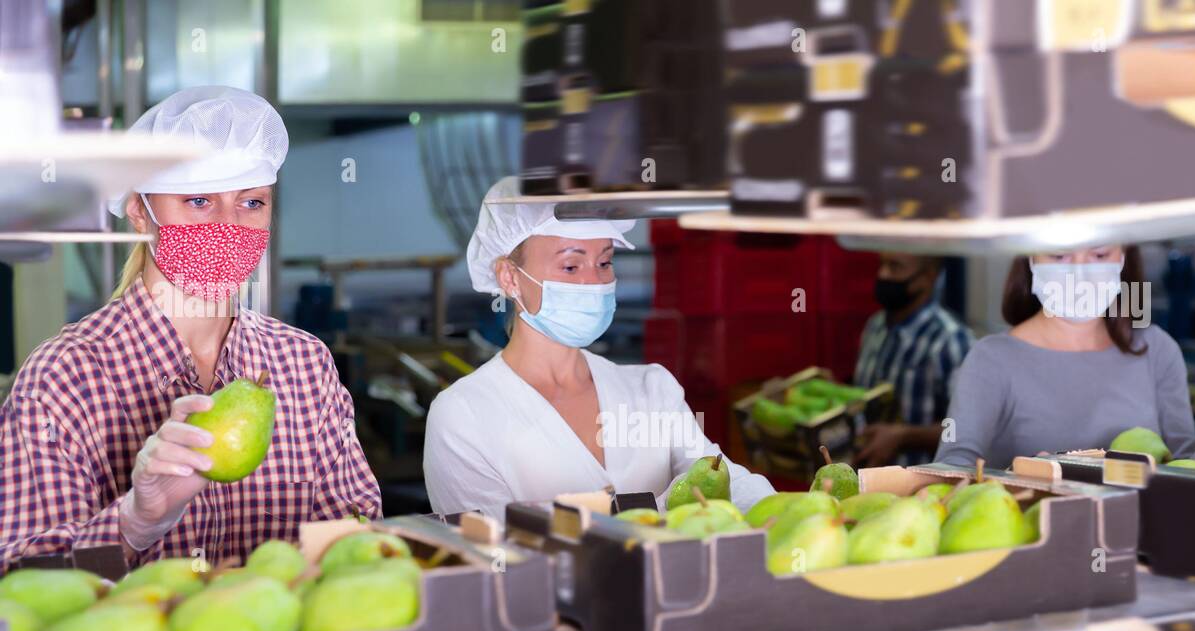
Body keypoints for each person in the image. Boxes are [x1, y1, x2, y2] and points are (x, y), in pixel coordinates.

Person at [0, 86, 381, 574]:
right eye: (199, 201)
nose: (228, 227)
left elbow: (355, 534)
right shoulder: (65, 376)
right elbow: (25, 578)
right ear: (141, 210)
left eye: (251, 203)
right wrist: (137, 521)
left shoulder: (303, 364)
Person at [423, 177, 775, 521]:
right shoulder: (462, 415)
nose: (594, 282)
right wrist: (662, 511)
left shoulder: (651, 389)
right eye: (571, 265)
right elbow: (498, 547)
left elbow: (725, 480)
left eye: (604, 262)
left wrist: (789, 510)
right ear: (509, 277)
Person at [936, 245, 1195, 469]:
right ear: (1031, 257)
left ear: (1123, 256)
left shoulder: (1158, 349)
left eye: (1099, 254)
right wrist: (1019, 478)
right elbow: (953, 462)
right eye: (1059, 256)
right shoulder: (990, 359)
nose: (1079, 271)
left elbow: (1189, 460)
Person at [852, 253, 972, 467]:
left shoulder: (950, 339)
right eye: (882, 265)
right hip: (867, 483)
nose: (883, 274)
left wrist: (904, 437)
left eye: (895, 266)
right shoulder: (875, 326)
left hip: (919, 489)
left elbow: (965, 428)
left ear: (927, 277)